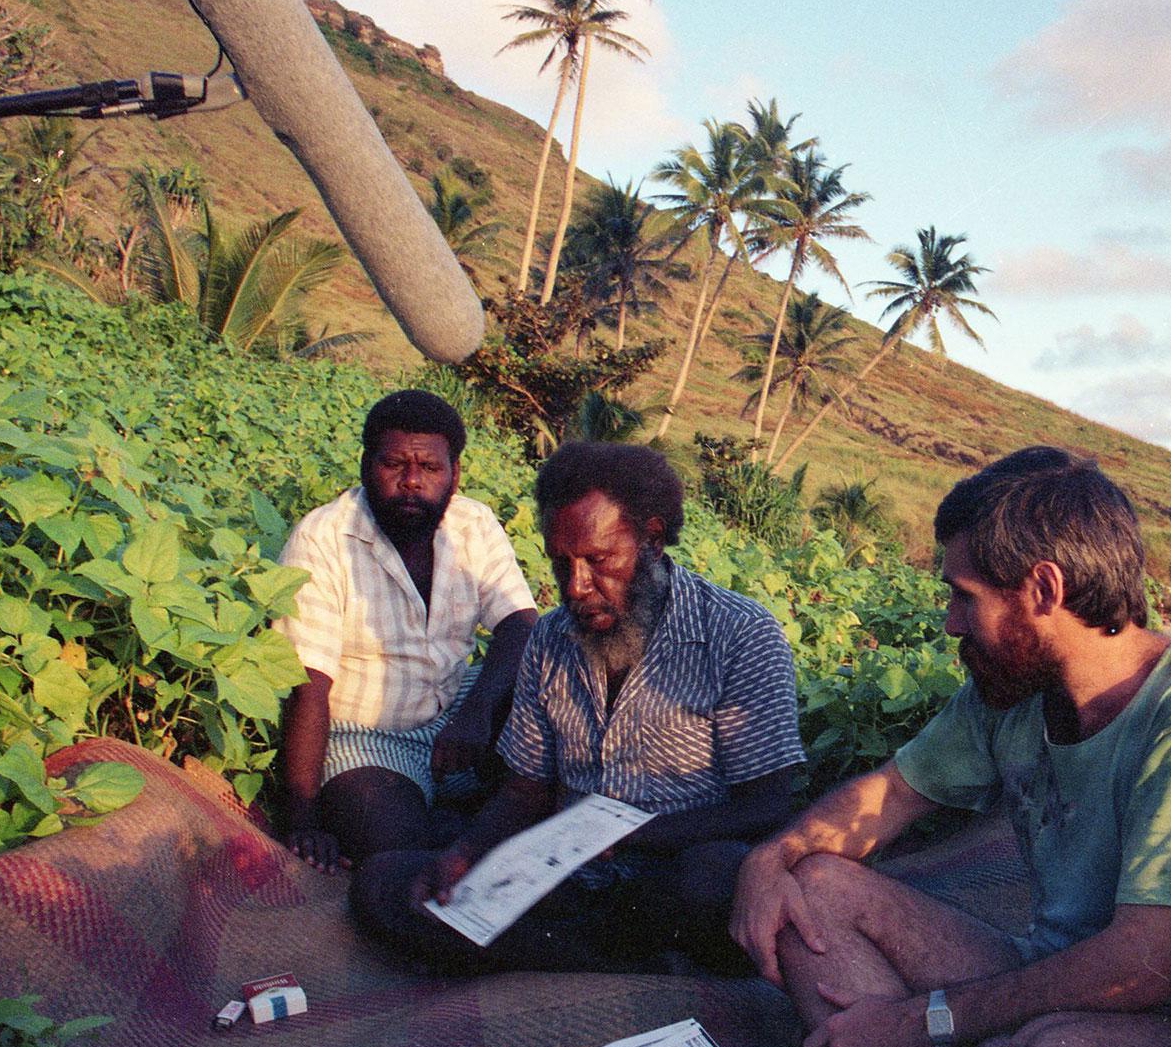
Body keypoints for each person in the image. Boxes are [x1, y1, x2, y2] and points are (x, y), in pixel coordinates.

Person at [731, 447, 1171, 1047]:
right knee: (809, 889)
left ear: (1043, 590)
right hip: (1042, 971)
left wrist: (922, 1024)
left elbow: (1142, 968)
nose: (949, 623)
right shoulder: (1013, 690)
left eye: (965, 595)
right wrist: (770, 857)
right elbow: (890, 795)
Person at [355, 441, 805, 973]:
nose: (576, 586)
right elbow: (527, 788)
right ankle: (609, 961)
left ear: (653, 540)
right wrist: (469, 852)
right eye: (560, 562)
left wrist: (632, 836)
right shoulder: (550, 638)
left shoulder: (740, 635)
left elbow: (772, 803)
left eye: (599, 560)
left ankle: (555, 953)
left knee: (716, 875)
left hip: (671, 871)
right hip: (567, 875)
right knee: (382, 881)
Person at [274, 390, 538, 869]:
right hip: (367, 736)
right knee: (399, 848)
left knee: (549, 665)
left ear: (455, 473)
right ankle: (447, 823)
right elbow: (306, 687)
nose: (412, 482)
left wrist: (477, 712)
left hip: (457, 710)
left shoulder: (473, 524)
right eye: (394, 464)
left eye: (430, 468)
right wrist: (303, 823)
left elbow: (520, 624)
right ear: (365, 465)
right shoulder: (323, 539)